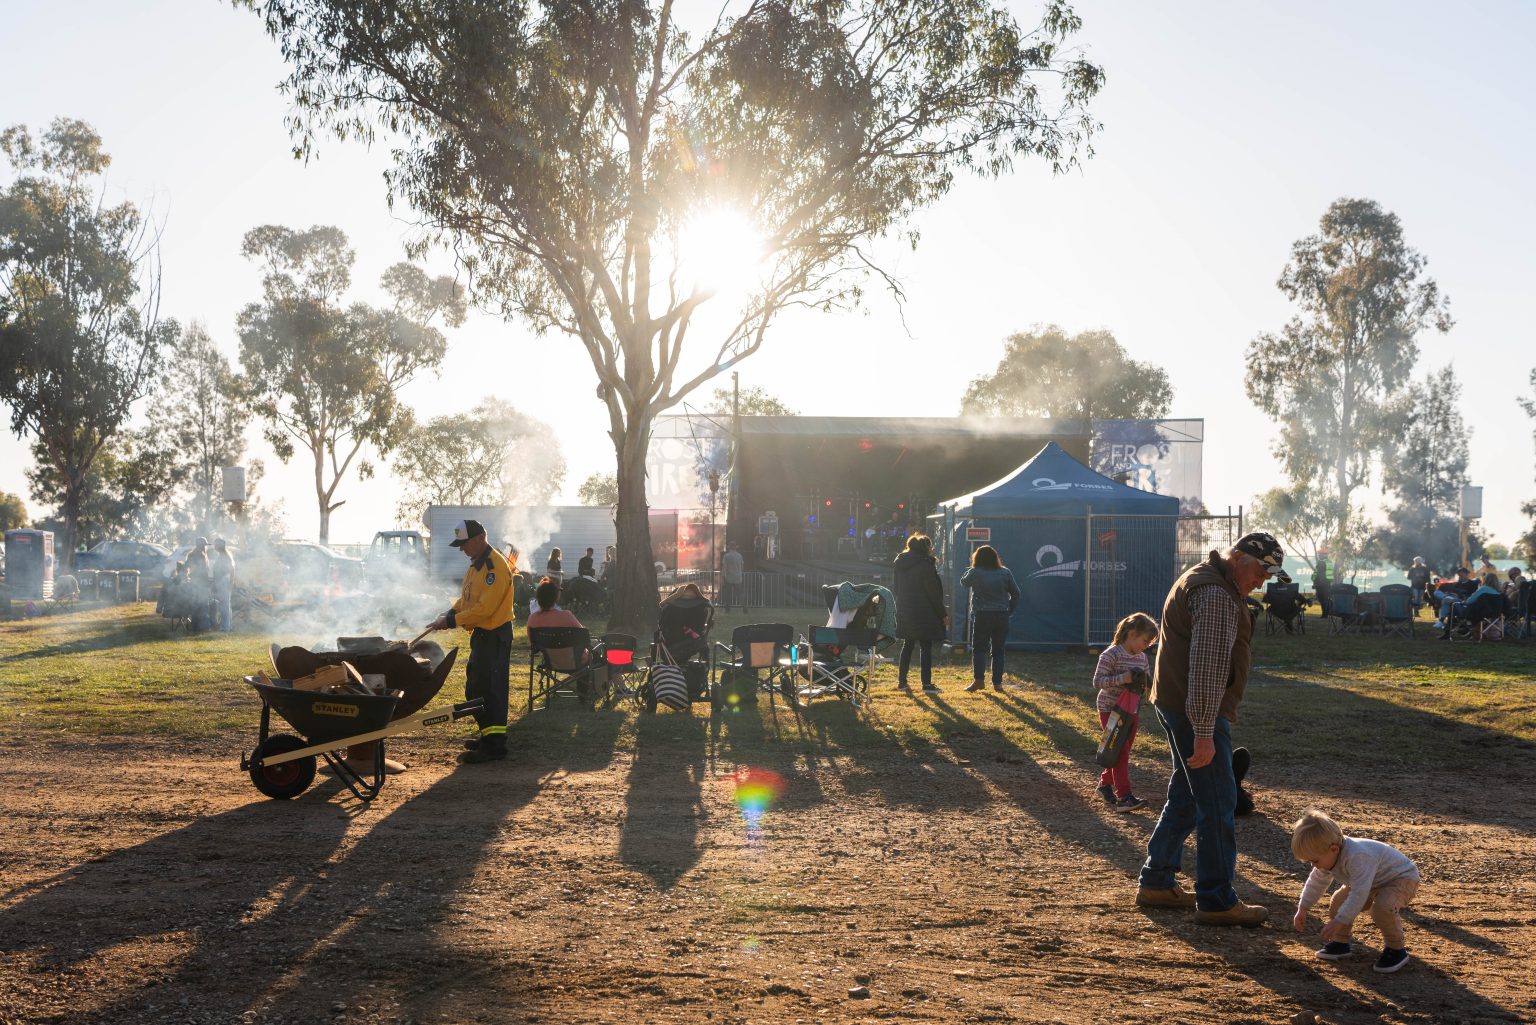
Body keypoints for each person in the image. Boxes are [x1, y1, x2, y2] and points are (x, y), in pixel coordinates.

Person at [1135, 531, 1288, 926]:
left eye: (1268, 576)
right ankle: (1217, 900)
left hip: (1177, 704)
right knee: (1219, 802)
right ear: (1237, 558)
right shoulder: (1217, 594)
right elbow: (1206, 668)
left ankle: (1157, 881)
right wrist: (1204, 732)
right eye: (1260, 572)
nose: (1262, 582)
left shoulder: (1205, 579)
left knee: (1188, 795)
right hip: (1196, 712)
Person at [426, 519, 515, 764]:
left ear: (480, 538)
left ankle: (495, 745)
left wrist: (451, 621)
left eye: (465, 543)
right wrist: (449, 614)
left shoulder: (493, 566)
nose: (462, 549)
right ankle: (488, 736)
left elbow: (485, 609)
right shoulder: (475, 566)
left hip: (495, 635)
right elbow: (466, 600)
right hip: (483, 636)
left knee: (490, 690)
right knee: (476, 688)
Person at [1291, 808, 1420, 974]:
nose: (1313, 865)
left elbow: (1359, 893)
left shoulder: (1357, 856)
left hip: (1400, 878)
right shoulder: (1328, 856)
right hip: (1369, 882)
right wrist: (1303, 907)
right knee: (1338, 903)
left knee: (1383, 908)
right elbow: (1316, 882)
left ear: (1334, 849)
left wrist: (1339, 921)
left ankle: (1396, 949)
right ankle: (1340, 943)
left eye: (1314, 860)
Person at [1092, 612, 1158, 812]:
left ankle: (1105, 785)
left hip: (1131, 710)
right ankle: (1124, 797)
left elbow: (1147, 681)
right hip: (1110, 709)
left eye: (1150, 642)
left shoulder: (1142, 658)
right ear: (1132, 634)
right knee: (1120, 750)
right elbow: (1098, 682)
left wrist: (1146, 684)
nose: (1147, 646)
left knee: (1122, 749)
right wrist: (1124, 678)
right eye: (1145, 641)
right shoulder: (1110, 654)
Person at [959, 545, 1019, 693]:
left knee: (979, 649)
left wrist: (972, 568)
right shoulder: (1005, 572)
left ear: (977, 558)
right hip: (1002, 615)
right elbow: (1016, 593)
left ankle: (979, 681)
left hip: (982, 614)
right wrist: (1009, 610)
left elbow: (963, 582)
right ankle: (997, 684)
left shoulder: (975, 572)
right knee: (998, 651)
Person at [892, 533, 947, 693]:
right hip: (925, 611)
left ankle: (902, 682)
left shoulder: (900, 563)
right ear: (926, 548)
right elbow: (933, 593)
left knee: (907, 645)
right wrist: (942, 614)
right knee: (926, 646)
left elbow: (896, 588)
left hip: (905, 608)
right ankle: (926, 684)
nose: (932, 549)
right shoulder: (925, 565)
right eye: (931, 546)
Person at [184, 538, 213, 633]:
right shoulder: (201, 555)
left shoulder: (191, 555)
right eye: (204, 545)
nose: (205, 547)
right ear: (201, 545)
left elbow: (186, 567)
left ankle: (195, 627)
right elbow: (202, 571)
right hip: (201, 583)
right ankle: (204, 627)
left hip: (194, 582)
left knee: (195, 605)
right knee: (203, 605)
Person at [210, 538, 235, 632]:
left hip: (223, 580)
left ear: (219, 546)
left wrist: (230, 583)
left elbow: (231, 570)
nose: (214, 546)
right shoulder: (222, 555)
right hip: (222, 581)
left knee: (224, 605)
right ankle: (228, 626)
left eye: (216, 544)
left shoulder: (225, 556)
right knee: (225, 605)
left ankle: (225, 627)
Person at [720, 542, 746, 613]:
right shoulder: (739, 556)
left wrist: (722, 577)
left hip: (729, 578)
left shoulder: (726, 556)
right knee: (740, 593)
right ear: (736, 547)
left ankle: (727, 609)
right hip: (738, 578)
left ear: (729, 547)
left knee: (727, 594)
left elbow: (724, 567)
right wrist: (739, 573)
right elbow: (742, 566)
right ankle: (744, 607)